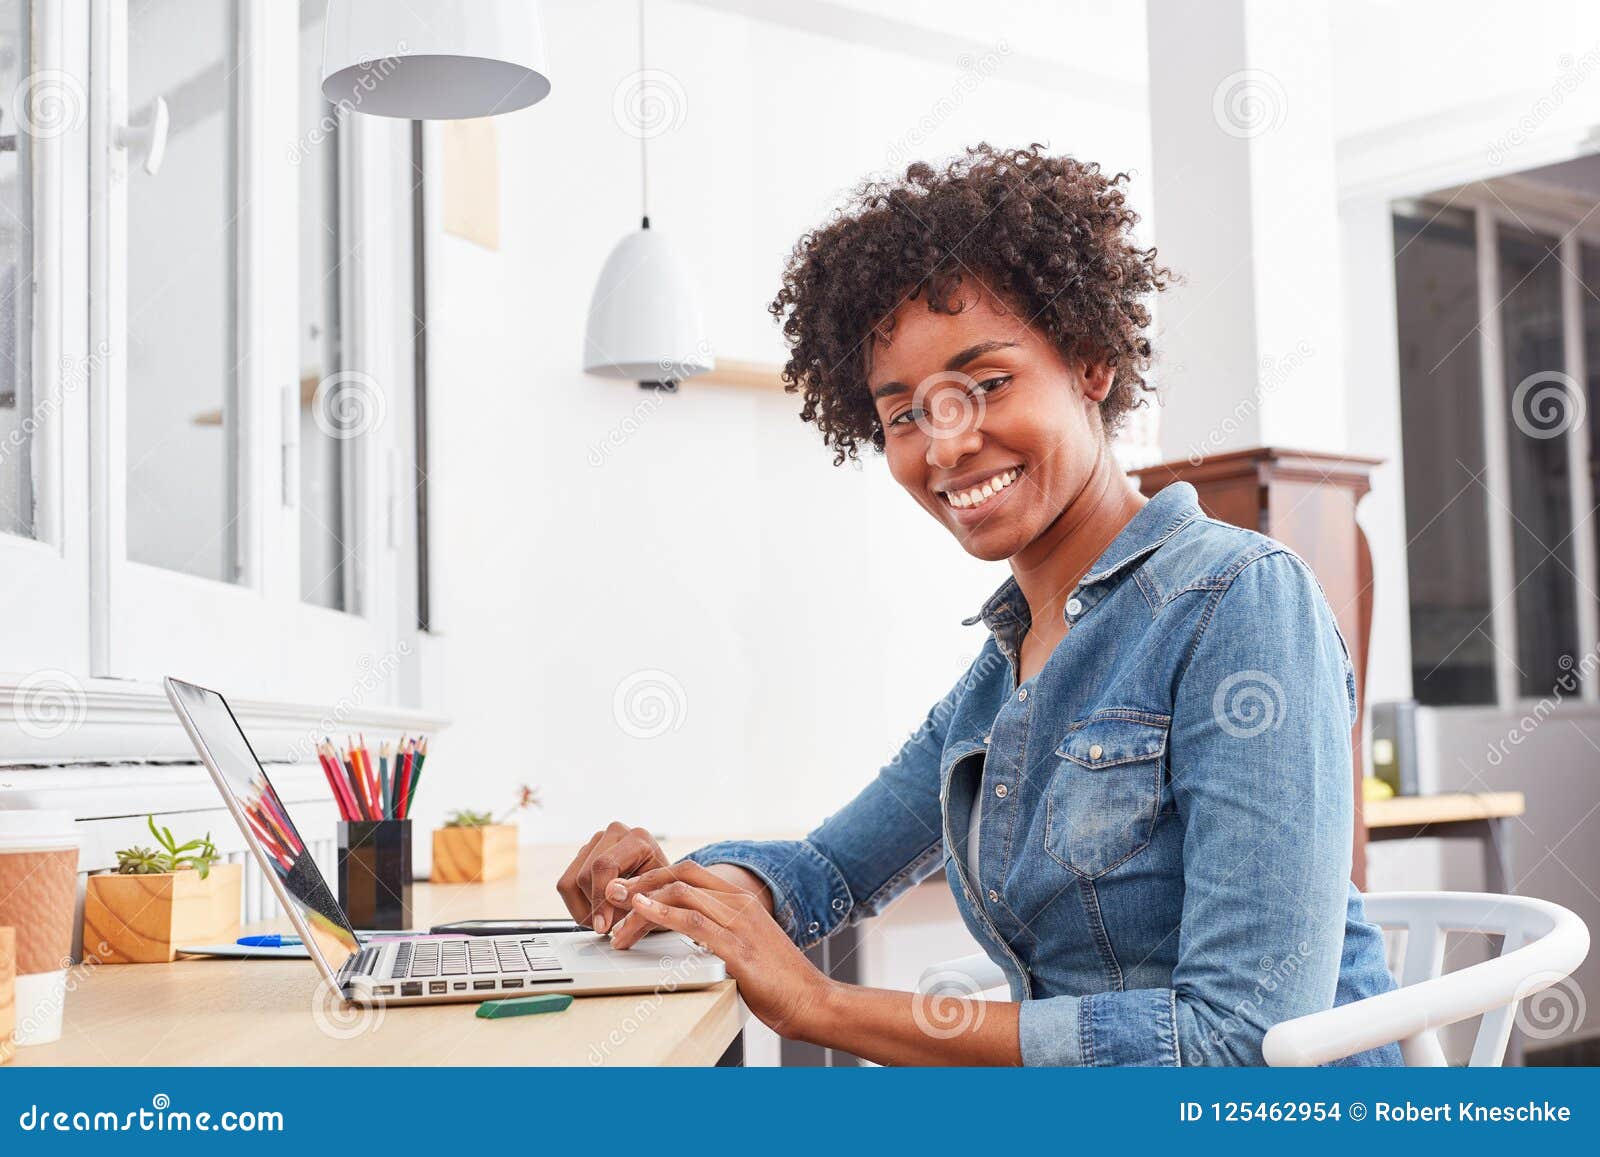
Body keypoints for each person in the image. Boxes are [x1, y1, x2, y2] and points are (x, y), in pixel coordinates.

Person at [556, 144, 1401, 1066]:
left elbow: (1242, 1041)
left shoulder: (1239, 601)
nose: (945, 443)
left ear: (1090, 362)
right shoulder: (1002, 673)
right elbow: (830, 870)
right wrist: (676, 887)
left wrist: (822, 1005)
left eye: (986, 384)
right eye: (905, 413)